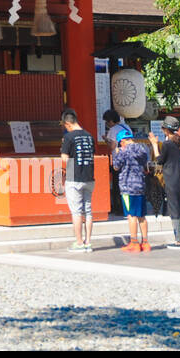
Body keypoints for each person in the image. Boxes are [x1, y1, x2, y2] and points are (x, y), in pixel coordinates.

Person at [150, 117, 180, 248]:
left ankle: (178, 240)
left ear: (166, 129)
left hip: (171, 178)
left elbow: (159, 160)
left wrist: (155, 144)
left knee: (174, 208)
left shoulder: (167, 144)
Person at [59, 107, 96, 252]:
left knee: (76, 212)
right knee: (88, 211)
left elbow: (64, 158)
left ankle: (79, 243)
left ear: (68, 124)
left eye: (65, 126)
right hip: (89, 177)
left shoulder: (69, 137)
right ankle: (88, 242)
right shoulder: (89, 136)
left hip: (74, 177)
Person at [113, 133, 151, 252]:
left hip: (127, 187)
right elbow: (146, 166)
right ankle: (145, 243)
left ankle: (134, 242)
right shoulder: (142, 149)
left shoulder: (123, 151)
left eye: (120, 143)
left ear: (122, 141)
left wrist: (116, 152)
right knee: (141, 216)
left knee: (131, 215)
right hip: (140, 186)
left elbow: (116, 167)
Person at [103, 108, 132, 216]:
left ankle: (118, 208)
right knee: (127, 185)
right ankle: (127, 207)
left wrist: (106, 140)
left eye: (107, 122)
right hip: (129, 160)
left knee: (117, 185)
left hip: (119, 161)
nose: (106, 124)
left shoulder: (113, 130)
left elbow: (112, 146)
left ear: (111, 121)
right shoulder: (126, 127)